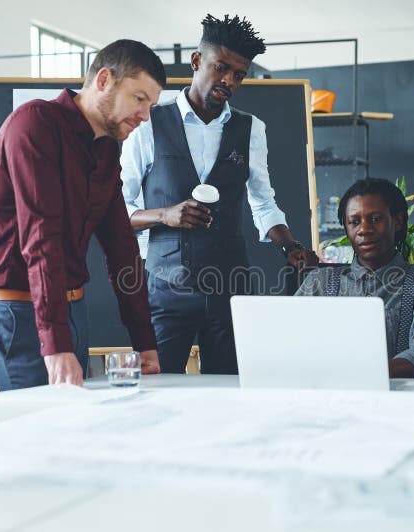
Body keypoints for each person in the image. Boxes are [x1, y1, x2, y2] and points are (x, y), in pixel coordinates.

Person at [121, 14, 318, 375]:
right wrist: (164, 215)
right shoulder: (149, 122)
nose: (228, 81)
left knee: (228, 389)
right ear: (197, 62)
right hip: (167, 285)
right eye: (221, 68)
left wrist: (290, 246)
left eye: (239, 75)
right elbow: (119, 210)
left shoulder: (250, 128)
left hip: (231, 287)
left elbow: (262, 200)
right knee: (159, 388)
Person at [0, 40, 165, 391]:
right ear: (104, 79)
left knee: (73, 432)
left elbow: (122, 246)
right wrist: (56, 344)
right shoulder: (33, 125)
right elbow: (41, 237)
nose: (145, 115)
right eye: (139, 98)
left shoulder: (107, 149)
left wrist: (144, 339)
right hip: (19, 314)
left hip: (70, 311)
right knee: (37, 434)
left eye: (151, 104)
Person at [295, 178, 414, 378]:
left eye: (375, 219)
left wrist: (353, 373)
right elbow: (291, 343)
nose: (364, 229)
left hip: (401, 401)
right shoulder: (320, 282)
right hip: (329, 398)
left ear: (398, 221)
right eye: (354, 221)